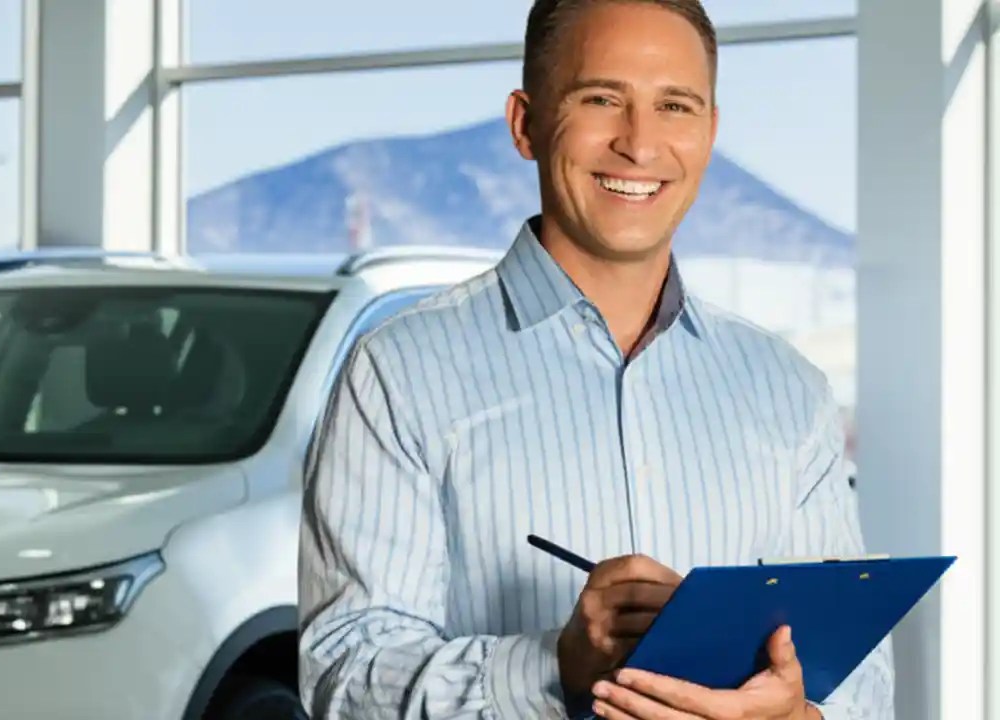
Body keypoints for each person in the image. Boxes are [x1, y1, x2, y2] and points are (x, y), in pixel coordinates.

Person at [297, 0, 894, 718]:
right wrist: (557, 662)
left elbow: (860, 683)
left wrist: (796, 715)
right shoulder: (398, 372)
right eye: (603, 99)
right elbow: (344, 673)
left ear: (708, 131)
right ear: (526, 124)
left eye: (675, 106)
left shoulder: (787, 389)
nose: (640, 145)